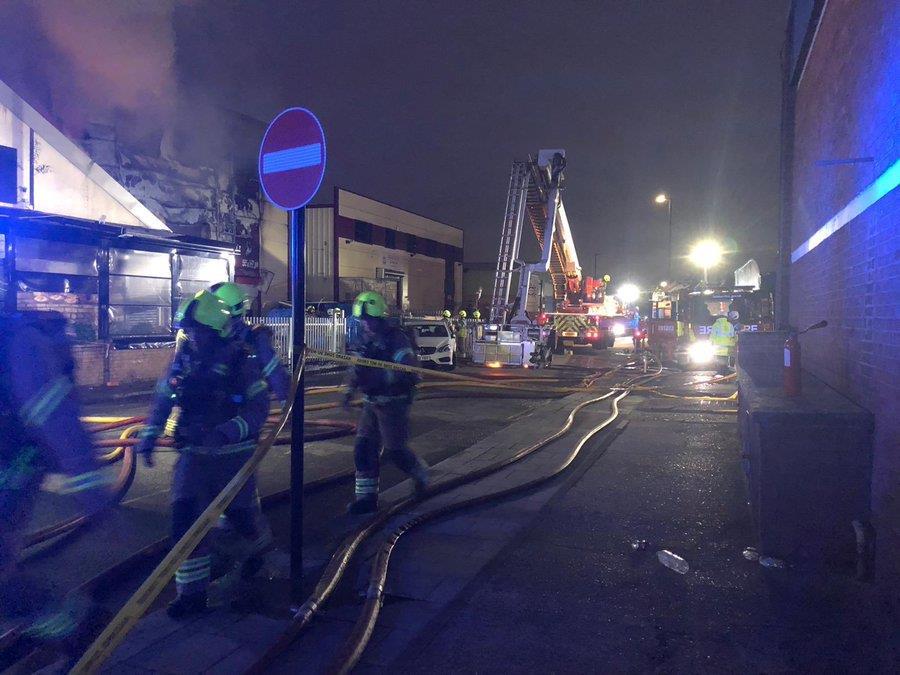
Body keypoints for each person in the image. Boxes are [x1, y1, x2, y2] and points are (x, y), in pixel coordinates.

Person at [135, 291, 270, 618]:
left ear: (216, 330)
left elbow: (258, 410)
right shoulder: (184, 359)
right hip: (194, 455)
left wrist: (222, 432)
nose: (191, 336)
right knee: (184, 519)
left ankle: (259, 547)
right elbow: (164, 396)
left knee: (240, 519)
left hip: (233, 457)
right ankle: (191, 595)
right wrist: (150, 434)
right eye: (188, 330)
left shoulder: (242, 360)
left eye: (198, 331)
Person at [0, 311, 113, 642]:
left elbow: (58, 422)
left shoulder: (17, 345)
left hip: (13, 465)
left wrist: (93, 497)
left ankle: (76, 628)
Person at [343, 291, 429, 514]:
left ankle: (419, 472)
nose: (364, 325)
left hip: (393, 404)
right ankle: (366, 499)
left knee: (395, 451)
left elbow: (410, 372)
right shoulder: (365, 340)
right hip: (372, 403)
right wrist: (349, 390)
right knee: (363, 448)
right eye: (362, 320)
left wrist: (380, 378)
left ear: (379, 318)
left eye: (368, 320)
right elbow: (357, 368)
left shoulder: (396, 339)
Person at [210, 282, 291, 405]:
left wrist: (287, 406)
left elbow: (275, 374)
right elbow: (275, 374)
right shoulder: (255, 337)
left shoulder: (255, 338)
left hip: (237, 409)